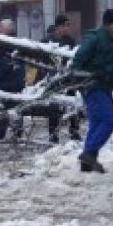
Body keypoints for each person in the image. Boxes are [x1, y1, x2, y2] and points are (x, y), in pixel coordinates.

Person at [72, 9, 113, 173]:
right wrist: (81, 80)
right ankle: (89, 153)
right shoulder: (94, 39)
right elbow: (77, 62)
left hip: (107, 85)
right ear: (106, 24)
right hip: (92, 86)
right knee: (111, 120)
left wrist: (107, 71)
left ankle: (87, 164)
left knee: (97, 122)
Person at [42, 14, 81, 142]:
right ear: (58, 26)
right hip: (54, 78)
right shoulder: (47, 40)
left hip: (68, 78)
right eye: (65, 25)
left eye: (68, 25)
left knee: (71, 103)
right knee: (54, 105)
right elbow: (41, 60)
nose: (67, 28)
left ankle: (74, 131)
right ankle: (53, 133)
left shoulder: (70, 40)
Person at [0, 18, 26, 140]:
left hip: (7, 84)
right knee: (15, 110)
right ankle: (16, 133)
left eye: (1, 28)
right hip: (15, 84)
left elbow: (2, 66)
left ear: (5, 30)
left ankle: (3, 135)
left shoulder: (5, 44)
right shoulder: (17, 44)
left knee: (6, 110)